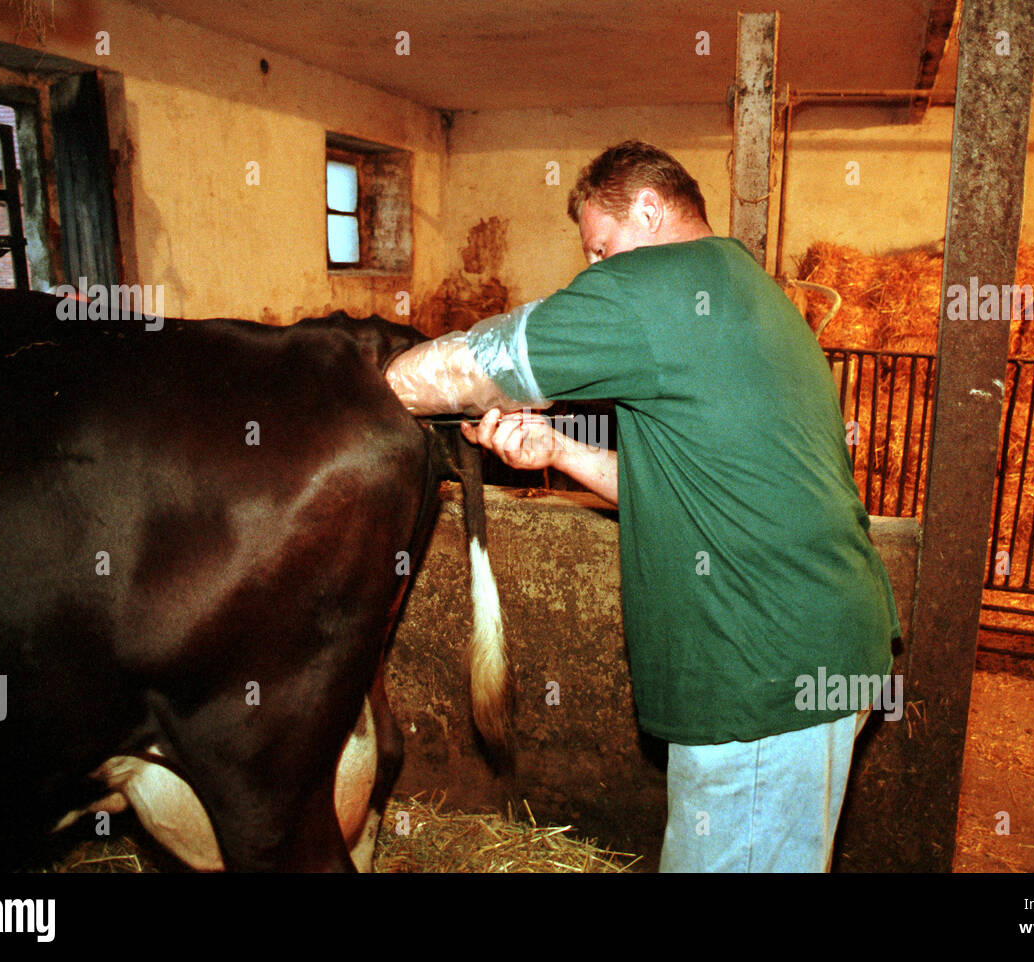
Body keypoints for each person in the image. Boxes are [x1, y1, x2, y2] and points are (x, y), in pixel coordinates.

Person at [386, 140, 900, 872]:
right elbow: (690, 483)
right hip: (814, 654)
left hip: (762, 676)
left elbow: (470, 366)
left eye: (600, 249)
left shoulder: (650, 286)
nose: (595, 270)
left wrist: (356, 385)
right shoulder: (744, 287)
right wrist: (558, 450)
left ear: (651, 211)